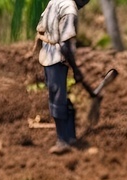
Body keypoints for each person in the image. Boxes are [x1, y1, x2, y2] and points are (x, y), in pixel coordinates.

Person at [35, 0, 92, 155]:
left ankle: (70, 137)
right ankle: (63, 140)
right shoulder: (69, 9)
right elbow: (65, 46)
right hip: (56, 59)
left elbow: (41, 28)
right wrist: (76, 70)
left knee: (58, 96)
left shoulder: (56, 1)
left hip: (48, 56)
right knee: (58, 99)